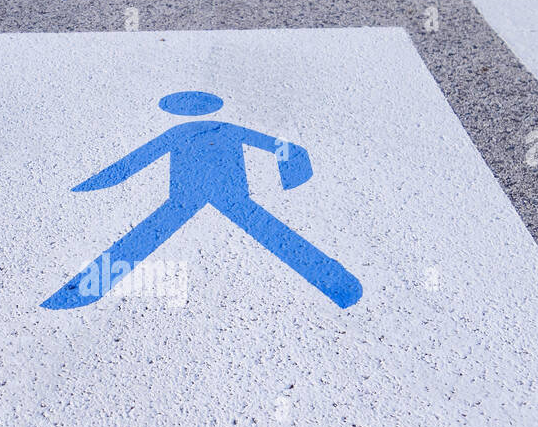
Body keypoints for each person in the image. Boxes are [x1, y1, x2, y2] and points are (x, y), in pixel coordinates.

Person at [41, 91, 362, 309]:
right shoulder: (210, 130)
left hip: (205, 194)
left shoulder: (197, 131)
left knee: (145, 235)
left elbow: (133, 163)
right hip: (199, 194)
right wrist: (291, 175)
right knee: (270, 232)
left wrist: (100, 183)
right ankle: (334, 281)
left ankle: (88, 286)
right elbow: (287, 150)